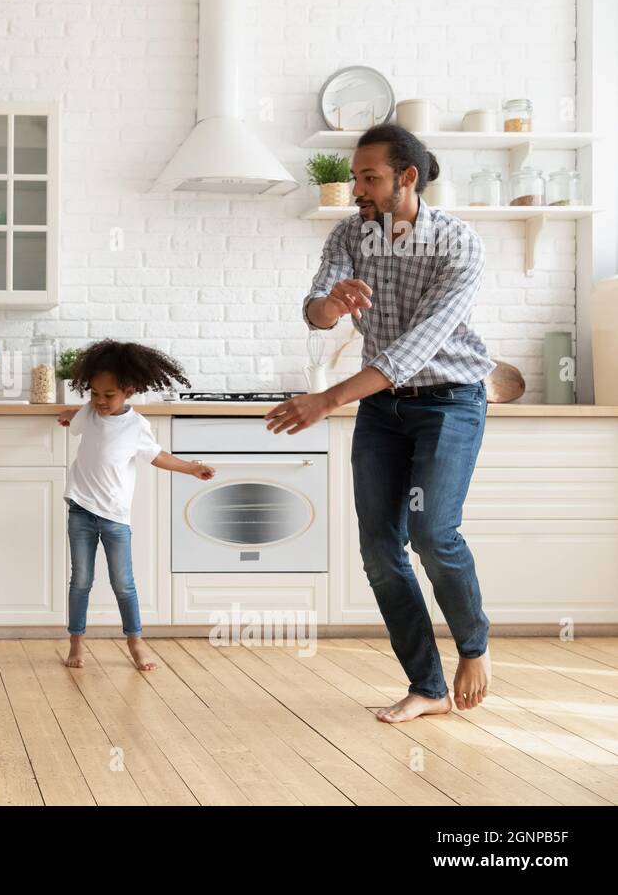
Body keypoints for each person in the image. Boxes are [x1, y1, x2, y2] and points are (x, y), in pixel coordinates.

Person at [265, 124, 495, 724]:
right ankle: (427, 686)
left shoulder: (458, 245)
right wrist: (330, 306)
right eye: (356, 176)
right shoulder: (350, 232)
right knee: (379, 550)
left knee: (432, 534)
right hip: (382, 411)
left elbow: (414, 350)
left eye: (370, 177)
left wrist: (324, 400)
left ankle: (473, 647)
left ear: (407, 177)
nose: (358, 188)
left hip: (448, 401)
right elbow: (313, 311)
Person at [56, 340, 215, 672]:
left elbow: (156, 456)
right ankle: (76, 640)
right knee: (81, 580)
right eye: (94, 394)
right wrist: (70, 414)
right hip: (81, 511)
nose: (100, 401)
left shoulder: (136, 426)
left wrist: (191, 466)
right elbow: (78, 422)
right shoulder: (89, 412)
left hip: (114, 517)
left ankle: (135, 641)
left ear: (128, 390)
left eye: (108, 395)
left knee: (123, 582)